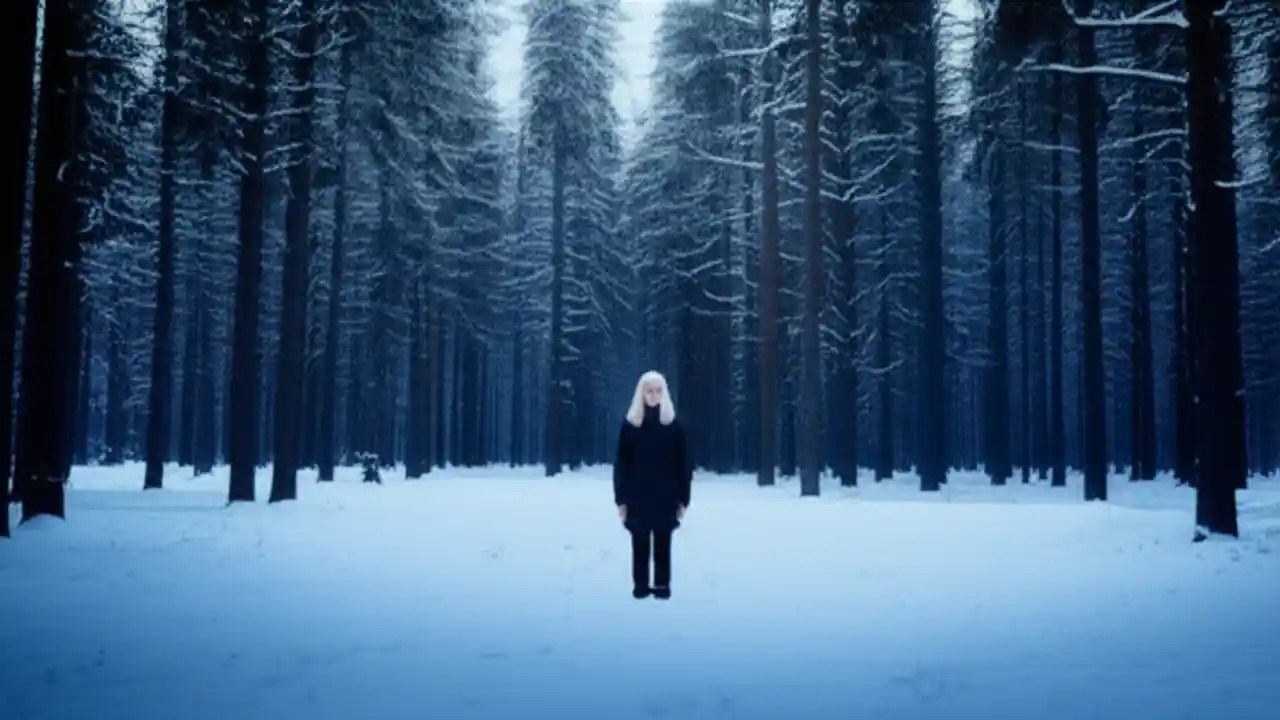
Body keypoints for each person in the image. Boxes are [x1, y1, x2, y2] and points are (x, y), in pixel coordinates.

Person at [613, 370, 692, 600]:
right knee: (639, 542)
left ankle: (661, 586)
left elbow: (684, 465)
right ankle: (640, 586)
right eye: (649, 391)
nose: (654, 395)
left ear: (664, 393)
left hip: (666, 495)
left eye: (658, 390)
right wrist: (621, 500)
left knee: (663, 541)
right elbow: (621, 466)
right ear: (641, 393)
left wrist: (683, 499)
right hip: (637, 496)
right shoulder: (630, 426)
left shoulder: (674, 426)